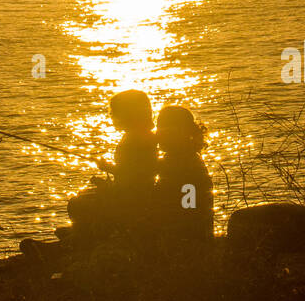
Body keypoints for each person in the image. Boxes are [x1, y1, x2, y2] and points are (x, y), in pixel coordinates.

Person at [64, 89, 158, 242]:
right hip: (139, 192)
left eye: (113, 113)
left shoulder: (133, 139)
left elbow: (132, 174)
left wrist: (107, 168)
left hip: (132, 197)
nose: (111, 117)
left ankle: (80, 240)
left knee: (77, 203)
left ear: (127, 115)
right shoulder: (143, 135)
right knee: (85, 196)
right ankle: (81, 235)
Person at [153, 105, 214, 243]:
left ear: (183, 133)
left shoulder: (188, 165)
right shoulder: (174, 159)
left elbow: (190, 208)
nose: (159, 134)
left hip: (187, 240)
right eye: (158, 128)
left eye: (166, 131)